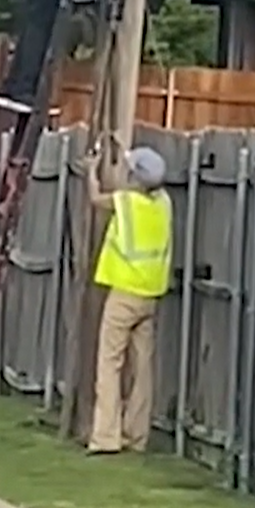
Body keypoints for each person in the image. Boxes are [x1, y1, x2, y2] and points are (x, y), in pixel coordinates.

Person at [83, 145, 174, 455]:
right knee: (142, 368)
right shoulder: (164, 203)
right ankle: (137, 436)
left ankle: (106, 437)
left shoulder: (126, 202)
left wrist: (91, 172)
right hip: (151, 294)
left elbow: (96, 199)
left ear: (135, 177)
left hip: (124, 293)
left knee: (109, 362)